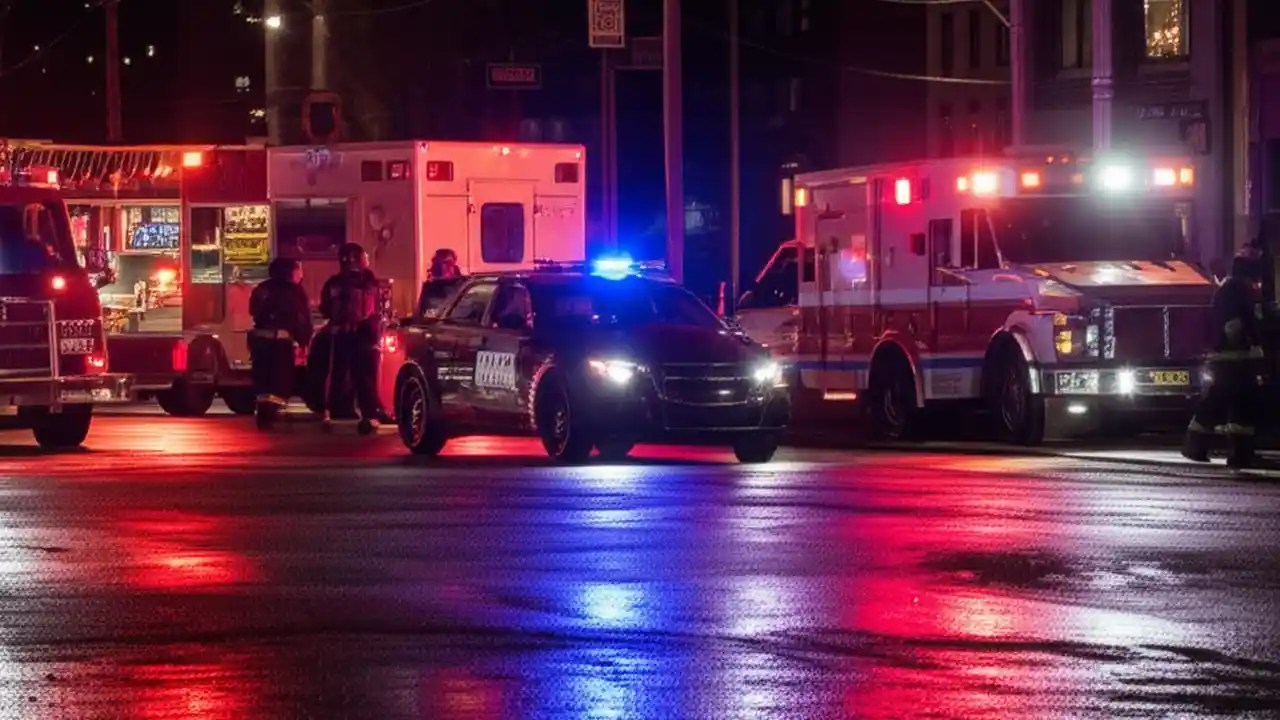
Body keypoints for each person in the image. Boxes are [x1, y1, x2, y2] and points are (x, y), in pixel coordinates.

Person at [1182, 247, 1267, 468]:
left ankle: (1233, 451)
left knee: (1236, 401)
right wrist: (1253, 343)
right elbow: (1239, 322)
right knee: (1231, 400)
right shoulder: (1237, 289)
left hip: (1232, 356)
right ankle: (1230, 450)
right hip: (1236, 356)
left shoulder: (1232, 287)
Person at [319, 242, 384, 435]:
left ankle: (339, 411)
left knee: (338, 373)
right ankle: (369, 414)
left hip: (340, 334)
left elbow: (325, 308)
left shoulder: (333, 282)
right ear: (360, 259)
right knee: (366, 376)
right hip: (365, 337)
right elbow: (377, 310)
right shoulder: (370, 283)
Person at [248, 258, 313, 429]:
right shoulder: (294, 291)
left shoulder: (261, 289)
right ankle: (272, 415)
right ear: (290, 272)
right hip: (281, 343)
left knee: (263, 382)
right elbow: (301, 319)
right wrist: (304, 340)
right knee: (279, 382)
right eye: (298, 270)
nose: (301, 274)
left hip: (259, 342)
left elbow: (253, 311)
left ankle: (264, 416)